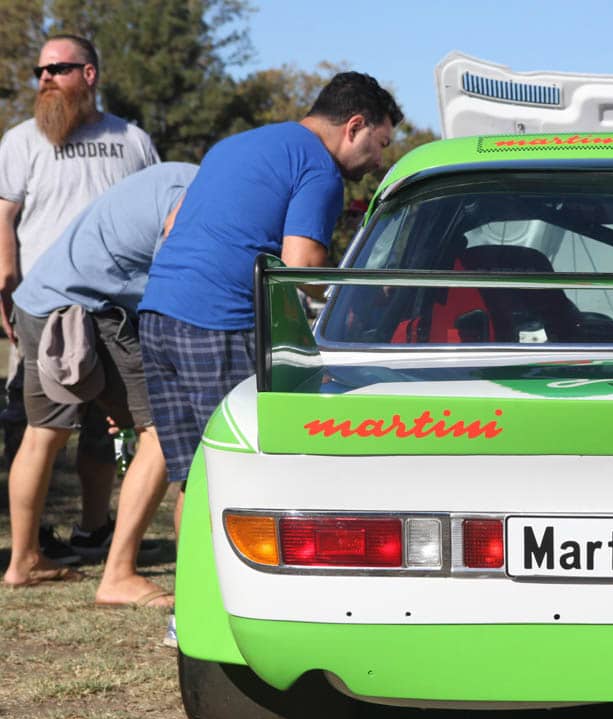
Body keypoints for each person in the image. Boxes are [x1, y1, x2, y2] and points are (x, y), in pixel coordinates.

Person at [138, 72, 401, 524]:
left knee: (197, 476)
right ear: (354, 126)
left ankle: (192, 573)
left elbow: (172, 225)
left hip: (157, 313)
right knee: (241, 471)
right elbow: (301, 266)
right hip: (216, 322)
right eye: (380, 144)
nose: (378, 160)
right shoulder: (318, 168)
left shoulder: (236, 145)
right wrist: (365, 296)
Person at [4, 163, 196, 602]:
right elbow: (175, 275)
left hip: (39, 299)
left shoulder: (180, 176)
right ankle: (119, 575)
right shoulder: (197, 194)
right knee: (161, 432)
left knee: (42, 435)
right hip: (83, 308)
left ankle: (23, 561)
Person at [0, 33, 159, 561]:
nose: (45, 79)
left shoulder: (132, 140)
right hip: (43, 306)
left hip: (115, 308)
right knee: (35, 424)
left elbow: (156, 217)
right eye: (40, 72)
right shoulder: (22, 140)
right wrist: (5, 280)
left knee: (101, 425)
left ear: (89, 74)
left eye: (58, 69)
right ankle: (35, 537)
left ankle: (94, 528)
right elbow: (5, 216)